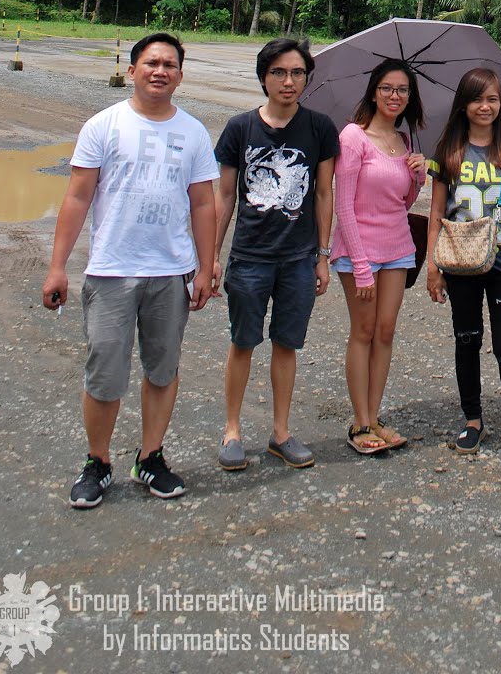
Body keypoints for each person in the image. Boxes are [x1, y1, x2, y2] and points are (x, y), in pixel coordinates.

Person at [42, 32, 218, 507]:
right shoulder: (104, 125)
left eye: (170, 65)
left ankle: (150, 457)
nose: (160, 71)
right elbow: (77, 197)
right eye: (151, 62)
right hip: (111, 270)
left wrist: (206, 266)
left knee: (162, 369)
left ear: (181, 74)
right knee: (105, 372)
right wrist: (58, 266)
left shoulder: (194, 132)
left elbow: (204, 203)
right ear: (132, 69)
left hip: (171, 272)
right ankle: (97, 463)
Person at [212, 37, 338, 472]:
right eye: (279, 73)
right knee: (243, 341)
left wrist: (323, 254)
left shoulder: (320, 128)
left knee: (287, 344)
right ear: (264, 77)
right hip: (249, 256)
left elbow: (324, 194)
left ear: (307, 78)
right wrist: (211, 255)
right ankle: (232, 430)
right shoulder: (239, 128)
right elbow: (225, 196)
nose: (289, 81)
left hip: (299, 258)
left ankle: (280, 432)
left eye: (297, 73)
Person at [426, 67, 501, 461]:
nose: (485, 106)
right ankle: (472, 419)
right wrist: (432, 267)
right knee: (467, 340)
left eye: (493, 98)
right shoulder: (448, 151)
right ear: (464, 104)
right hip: (460, 264)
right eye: (477, 98)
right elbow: (436, 212)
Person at [330, 59, 428, 454]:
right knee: (364, 331)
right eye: (387, 88)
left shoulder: (405, 141)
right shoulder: (353, 137)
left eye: (402, 90)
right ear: (374, 91)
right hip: (360, 251)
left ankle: (375, 415)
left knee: (386, 332)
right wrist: (361, 267)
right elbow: (344, 205)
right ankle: (360, 423)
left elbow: (402, 203)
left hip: (399, 248)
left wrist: (418, 177)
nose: (394, 96)